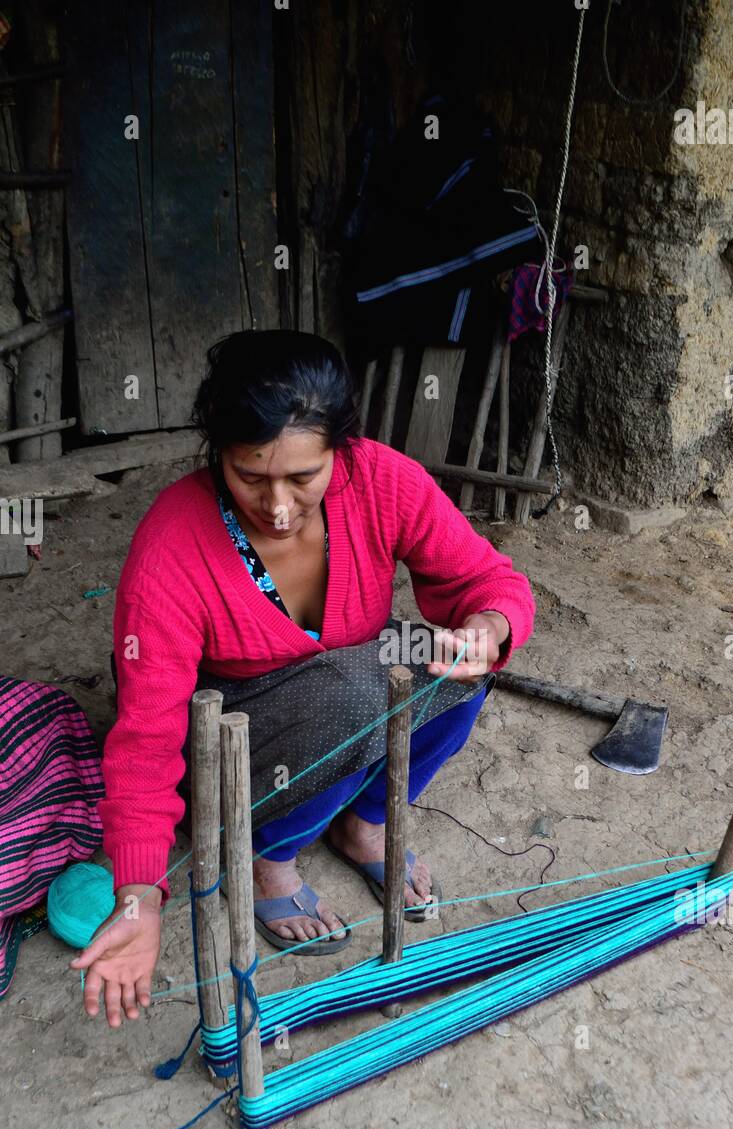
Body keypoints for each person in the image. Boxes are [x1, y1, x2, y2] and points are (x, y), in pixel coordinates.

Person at [73, 330, 534, 1027]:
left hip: (346, 680)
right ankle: (267, 854)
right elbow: (145, 742)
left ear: (341, 449)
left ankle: (365, 823)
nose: (280, 506)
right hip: (233, 727)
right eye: (251, 477)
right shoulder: (172, 546)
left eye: (303, 478)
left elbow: (486, 579)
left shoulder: (383, 481)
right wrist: (139, 894)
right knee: (359, 691)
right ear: (217, 452)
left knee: (455, 667)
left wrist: (489, 626)